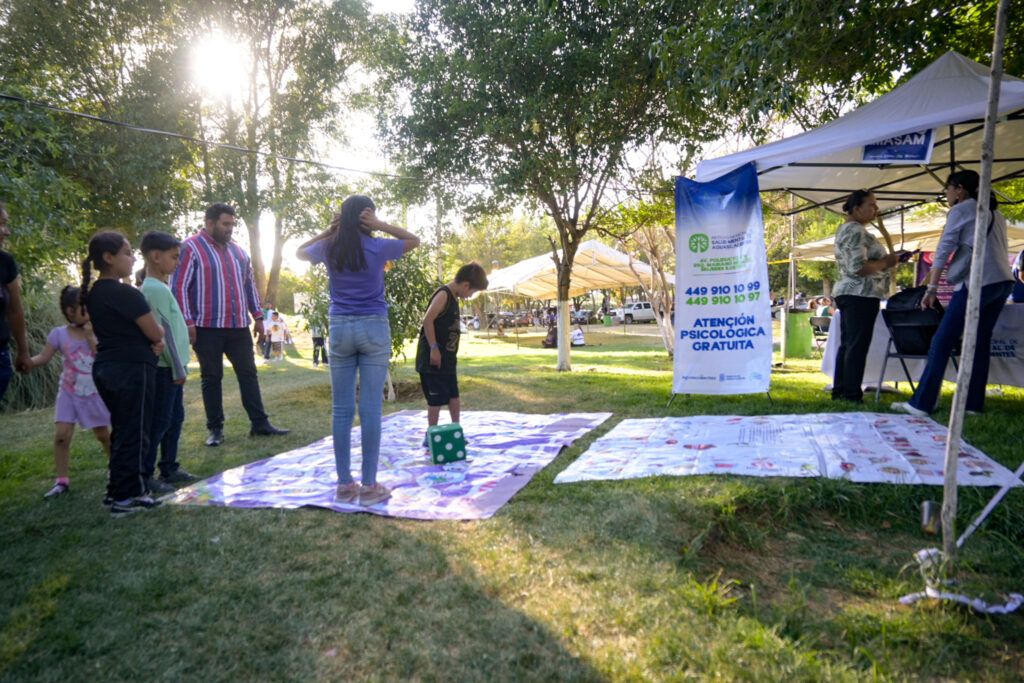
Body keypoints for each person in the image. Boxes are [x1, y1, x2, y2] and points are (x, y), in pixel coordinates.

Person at [296, 195, 420, 507]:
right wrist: (380, 225)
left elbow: (299, 252)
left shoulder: (330, 247)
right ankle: (369, 485)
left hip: (339, 328)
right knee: (370, 410)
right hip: (374, 326)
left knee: (341, 410)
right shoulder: (379, 247)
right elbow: (413, 240)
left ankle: (343, 485)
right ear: (367, 218)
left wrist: (328, 231)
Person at [893, 171, 1015, 416]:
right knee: (978, 342)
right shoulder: (995, 213)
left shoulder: (962, 210)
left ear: (960, 189)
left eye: (947, 189)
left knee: (942, 340)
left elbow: (943, 250)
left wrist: (932, 289)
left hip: (979, 282)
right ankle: (972, 405)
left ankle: (922, 403)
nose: (946, 194)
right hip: (1002, 281)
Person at [170, 203, 288, 447]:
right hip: (205, 327)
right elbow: (178, 288)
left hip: (237, 327)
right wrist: (187, 322)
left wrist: (258, 317)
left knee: (248, 374)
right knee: (211, 377)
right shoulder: (189, 248)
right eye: (226, 224)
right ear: (210, 223)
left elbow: (250, 286)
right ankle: (215, 429)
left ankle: (260, 423)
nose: (230, 229)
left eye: (232, 224)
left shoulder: (239, 252)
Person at [81, 232, 166, 517]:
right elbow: (155, 331)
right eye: (127, 253)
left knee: (123, 430)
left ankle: (116, 490)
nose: (132, 259)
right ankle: (128, 496)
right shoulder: (124, 293)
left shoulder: (94, 294)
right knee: (135, 431)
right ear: (108, 257)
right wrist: (158, 340)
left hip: (107, 366)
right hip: (131, 368)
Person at [27, 286, 112, 498]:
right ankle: (62, 481)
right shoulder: (59, 334)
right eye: (84, 308)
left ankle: (116, 467)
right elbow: (44, 357)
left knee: (103, 436)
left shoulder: (98, 331)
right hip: (68, 394)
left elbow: (100, 355)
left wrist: (91, 336)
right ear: (70, 311)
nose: (89, 311)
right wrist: (27, 362)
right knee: (62, 437)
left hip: (94, 394)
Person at [831, 190, 909, 403]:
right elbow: (858, 267)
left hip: (853, 292)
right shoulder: (855, 230)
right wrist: (887, 262)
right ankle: (851, 393)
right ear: (856, 209)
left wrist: (889, 259)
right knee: (857, 344)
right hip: (860, 293)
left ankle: (842, 390)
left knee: (849, 343)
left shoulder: (850, 230)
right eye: (872, 205)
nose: (876, 209)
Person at [140, 231, 195, 492]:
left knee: (175, 418)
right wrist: (176, 366)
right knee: (160, 421)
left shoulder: (160, 287)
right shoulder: (153, 288)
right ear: (155, 256)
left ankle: (169, 466)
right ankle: (147, 474)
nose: (177, 263)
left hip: (173, 366)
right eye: (174, 257)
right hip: (166, 369)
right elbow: (165, 331)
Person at [416, 263, 489, 446]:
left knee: (453, 396)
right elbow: (428, 320)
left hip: (448, 359)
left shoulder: (455, 297)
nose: (470, 296)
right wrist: (434, 348)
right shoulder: (444, 295)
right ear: (466, 285)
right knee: (435, 399)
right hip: (432, 358)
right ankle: (431, 434)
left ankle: (456, 430)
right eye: (472, 292)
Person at [0, 203, 32, 404]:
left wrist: (23, 351)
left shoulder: (5, 263)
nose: (7, 232)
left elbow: (15, 311)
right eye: (2, 225)